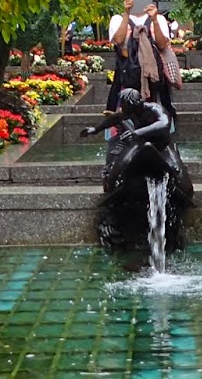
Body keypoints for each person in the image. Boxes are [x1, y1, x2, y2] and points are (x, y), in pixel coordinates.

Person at [79, 88, 194, 254]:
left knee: (182, 179)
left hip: (162, 148)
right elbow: (116, 118)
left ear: (136, 104)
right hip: (140, 146)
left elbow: (164, 124)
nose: (126, 112)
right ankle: (113, 186)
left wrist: (137, 132)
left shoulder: (154, 109)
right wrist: (95, 130)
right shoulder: (129, 112)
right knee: (118, 170)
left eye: (127, 108)